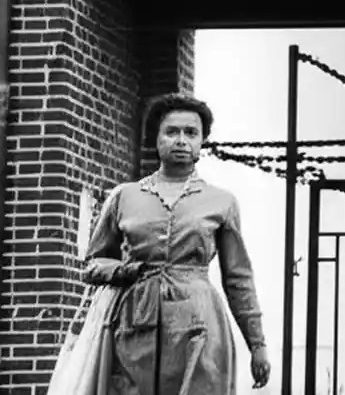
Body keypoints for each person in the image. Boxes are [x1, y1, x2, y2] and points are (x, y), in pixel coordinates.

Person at [83, 93, 273, 393]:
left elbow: (238, 279)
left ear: (202, 142)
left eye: (191, 133)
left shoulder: (221, 202)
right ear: (156, 139)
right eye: (171, 132)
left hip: (200, 326)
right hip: (136, 322)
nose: (181, 141)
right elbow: (93, 263)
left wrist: (257, 344)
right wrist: (124, 271)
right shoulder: (124, 197)